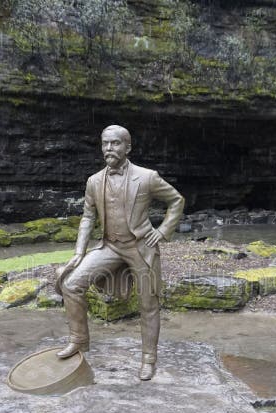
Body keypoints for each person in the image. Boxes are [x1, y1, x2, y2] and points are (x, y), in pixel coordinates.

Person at [56, 125, 185, 380]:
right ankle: (79, 341)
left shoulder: (147, 177)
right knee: (70, 284)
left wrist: (162, 232)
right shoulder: (94, 181)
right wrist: (79, 251)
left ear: (128, 147)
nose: (109, 149)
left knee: (148, 303)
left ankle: (149, 359)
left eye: (115, 144)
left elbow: (177, 200)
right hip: (110, 246)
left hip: (140, 248)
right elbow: (88, 217)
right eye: (105, 144)